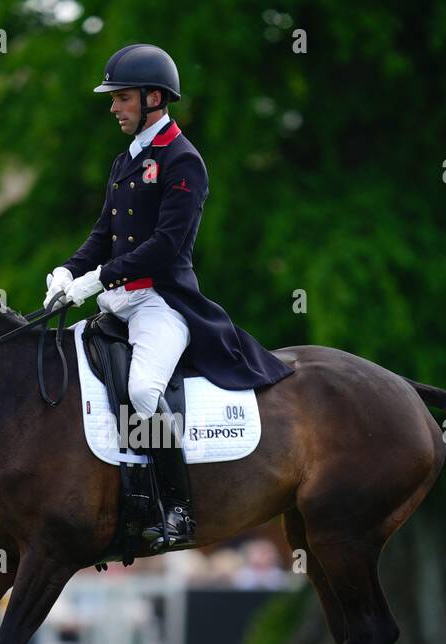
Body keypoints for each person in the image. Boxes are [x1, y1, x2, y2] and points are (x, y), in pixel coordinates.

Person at [47, 43, 293, 551]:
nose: (113, 107)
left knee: (141, 392)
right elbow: (102, 235)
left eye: (121, 98)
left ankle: (177, 509)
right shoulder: (125, 161)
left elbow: (165, 248)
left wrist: (98, 279)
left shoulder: (184, 161)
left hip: (162, 303)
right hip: (119, 303)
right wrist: (66, 271)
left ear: (153, 97)